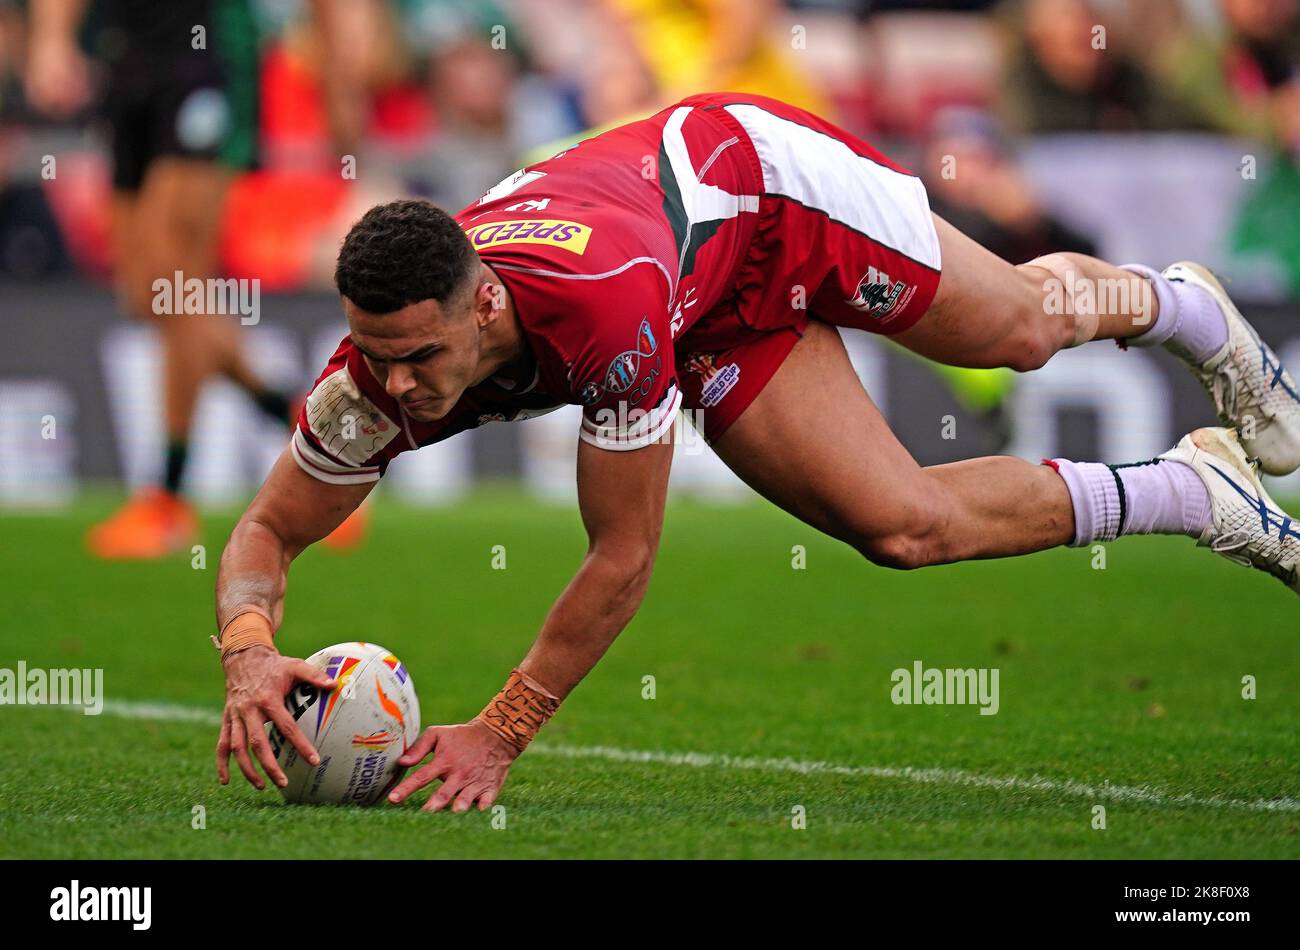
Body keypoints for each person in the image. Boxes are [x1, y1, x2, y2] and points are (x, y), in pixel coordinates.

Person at [213, 92, 1300, 813]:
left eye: (417, 355)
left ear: (485, 304)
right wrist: (250, 649)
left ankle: (1181, 306)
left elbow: (623, 553)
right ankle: (1192, 489)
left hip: (765, 189)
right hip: (702, 298)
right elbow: (267, 529)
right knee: (903, 529)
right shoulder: (366, 387)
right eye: (373, 355)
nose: (394, 385)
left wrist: (500, 730)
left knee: (1017, 330)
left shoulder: (602, 315)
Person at [24, 0, 364, 557]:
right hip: (129, 59)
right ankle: (306, 426)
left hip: (205, 61)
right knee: (148, 297)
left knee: (176, 280)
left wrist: (336, 82)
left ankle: (167, 499)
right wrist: (51, 38)